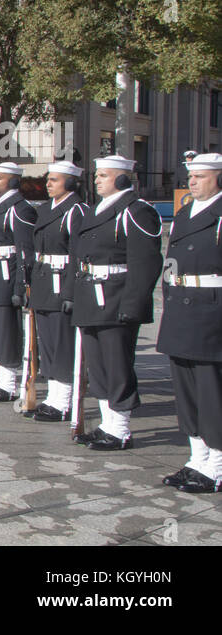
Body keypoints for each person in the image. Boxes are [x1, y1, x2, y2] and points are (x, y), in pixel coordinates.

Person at [69, 155, 162, 451]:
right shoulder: (97, 210)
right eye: (97, 175)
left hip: (116, 297)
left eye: (104, 175)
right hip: (91, 295)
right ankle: (108, 424)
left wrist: (133, 305)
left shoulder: (136, 211)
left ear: (122, 179)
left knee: (117, 364)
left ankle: (121, 428)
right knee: (97, 365)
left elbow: (145, 262)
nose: (96, 180)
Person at [157, 152, 222, 492]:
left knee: (211, 390)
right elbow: (172, 263)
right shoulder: (184, 214)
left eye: (200, 176)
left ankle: (217, 465)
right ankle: (197, 458)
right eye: (190, 177)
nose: (192, 183)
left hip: (211, 308)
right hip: (182, 306)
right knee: (186, 389)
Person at [26, 161, 86, 421]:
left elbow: (77, 256)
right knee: (48, 342)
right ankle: (53, 396)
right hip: (43, 279)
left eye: (55, 180)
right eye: (48, 179)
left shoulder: (76, 211)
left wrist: (71, 292)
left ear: (70, 183)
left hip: (61, 281)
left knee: (61, 343)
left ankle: (63, 401)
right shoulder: (46, 209)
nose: (48, 184)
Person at [0, 162, 36, 403]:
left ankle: (8, 383)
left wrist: (21, 285)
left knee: (5, 330)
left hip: (6, 273)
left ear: (12, 181)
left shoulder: (19, 208)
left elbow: (25, 250)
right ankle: (1, 380)